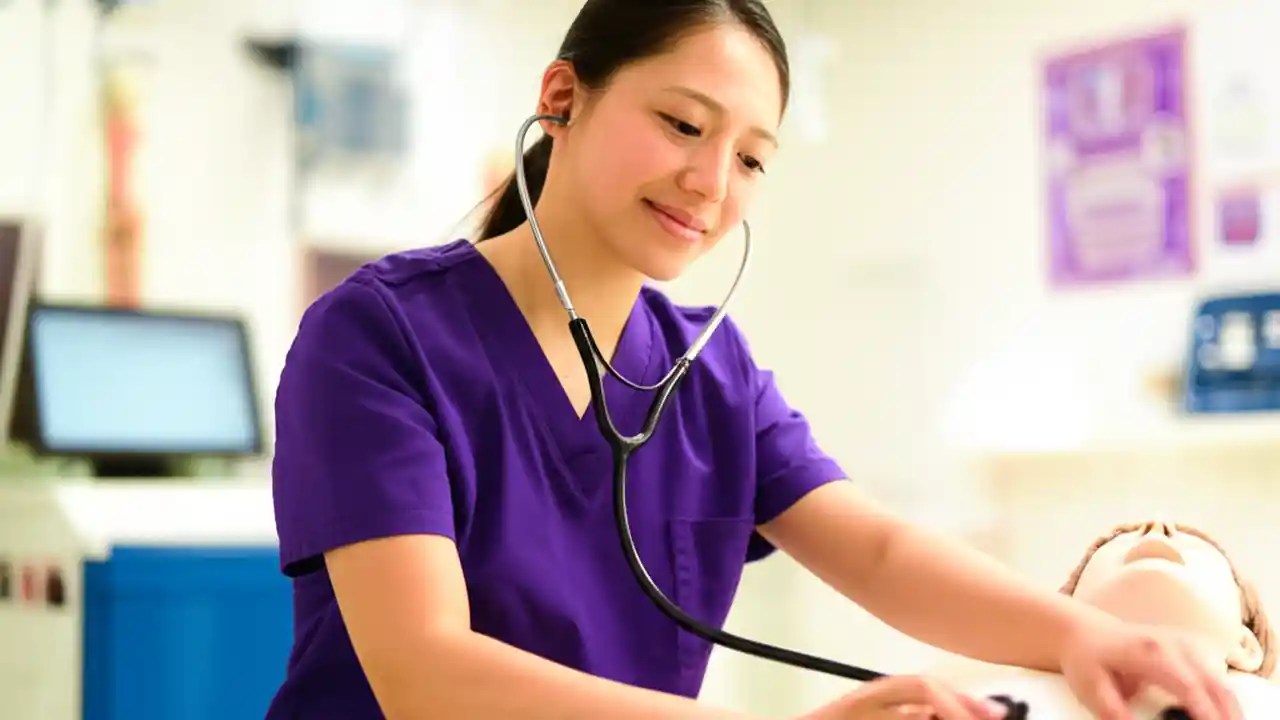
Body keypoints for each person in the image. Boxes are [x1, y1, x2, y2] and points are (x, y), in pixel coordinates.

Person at [264, 2, 1243, 719]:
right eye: (684, 126)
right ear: (560, 97)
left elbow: (878, 552)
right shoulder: (375, 338)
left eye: (751, 158)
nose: (709, 181)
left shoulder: (708, 370)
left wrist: (1084, 634)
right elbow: (423, 673)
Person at [939, 519, 1277, 718]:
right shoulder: (969, 705)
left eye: (1198, 546)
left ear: (1245, 645)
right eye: (1118, 542)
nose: (1158, 525)